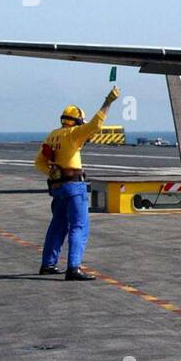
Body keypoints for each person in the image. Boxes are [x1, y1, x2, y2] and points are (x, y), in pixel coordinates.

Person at [35, 87, 121, 280]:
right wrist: (108, 101)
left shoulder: (52, 135)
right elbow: (96, 125)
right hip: (74, 186)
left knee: (57, 225)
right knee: (78, 227)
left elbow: (39, 161)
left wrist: (51, 172)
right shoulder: (74, 133)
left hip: (57, 187)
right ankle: (73, 268)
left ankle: (48, 264)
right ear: (77, 121)